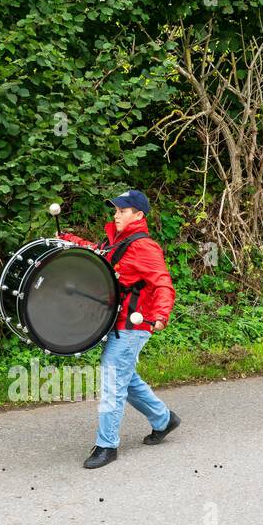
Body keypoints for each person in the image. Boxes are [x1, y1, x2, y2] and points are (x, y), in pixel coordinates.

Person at [60, 189, 178, 469]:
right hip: (117, 321)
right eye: (115, 210)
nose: (116, 214)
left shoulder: (144, 246)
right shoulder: (117, 240)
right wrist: (70, 241)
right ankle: (164, 419)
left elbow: (163, 283)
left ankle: (107, 445)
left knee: (113, 380)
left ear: (138, 215)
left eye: (122, 211)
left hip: (134, 324)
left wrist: (161, 314)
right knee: (125, 377)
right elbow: (99, 254)